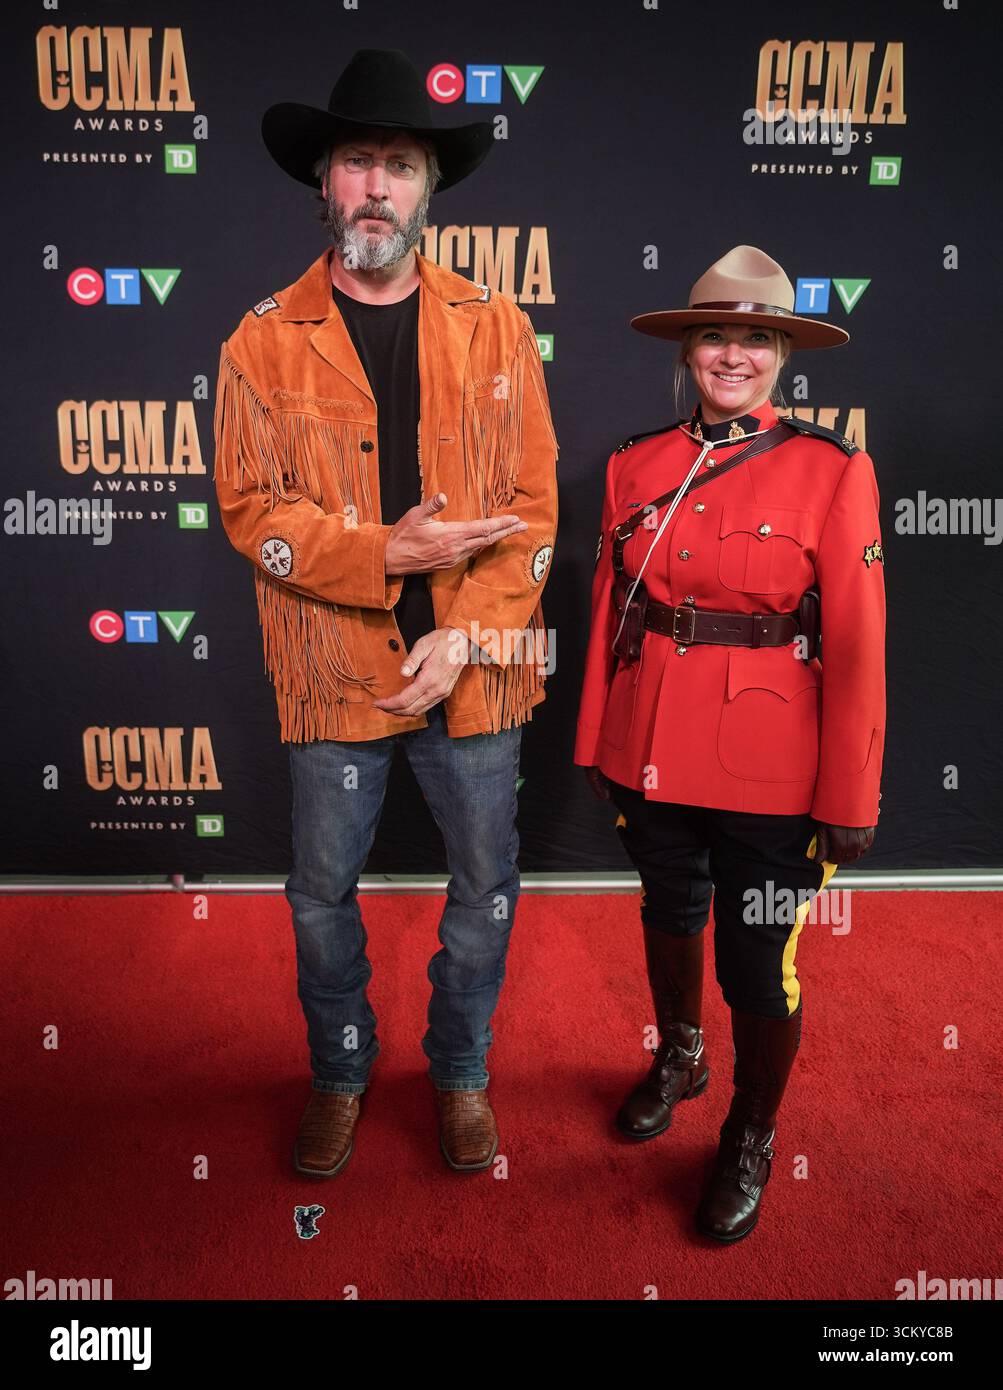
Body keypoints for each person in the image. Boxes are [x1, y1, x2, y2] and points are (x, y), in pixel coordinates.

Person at [212, 49, 559, 1178]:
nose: (375, 186)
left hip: (478, 668)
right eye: (356, 160)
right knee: (320, 899)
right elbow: (248, 508)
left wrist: (466, 628)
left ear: (428, 189)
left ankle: (460, 1074)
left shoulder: (500, 327)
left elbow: (532, 506)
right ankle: (342, 1071)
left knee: (483, 892)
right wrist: (380, 554)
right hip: (333, 667)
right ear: (323, 181)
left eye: (398, 165)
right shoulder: (259, 341)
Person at [574, 245, 885, 1242]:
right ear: (688, 348)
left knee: (756, 961)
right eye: (716, 334)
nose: (733, 353)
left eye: (756, 336)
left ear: (783, 354)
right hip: (652, 741)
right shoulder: (634, 463)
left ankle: (751, 1128)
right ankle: (679, 1055)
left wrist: (850, 796)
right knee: (669, 909)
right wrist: (596, 738)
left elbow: (858, 642)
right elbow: (608, 611)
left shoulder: (831, 469)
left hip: (774, 767)